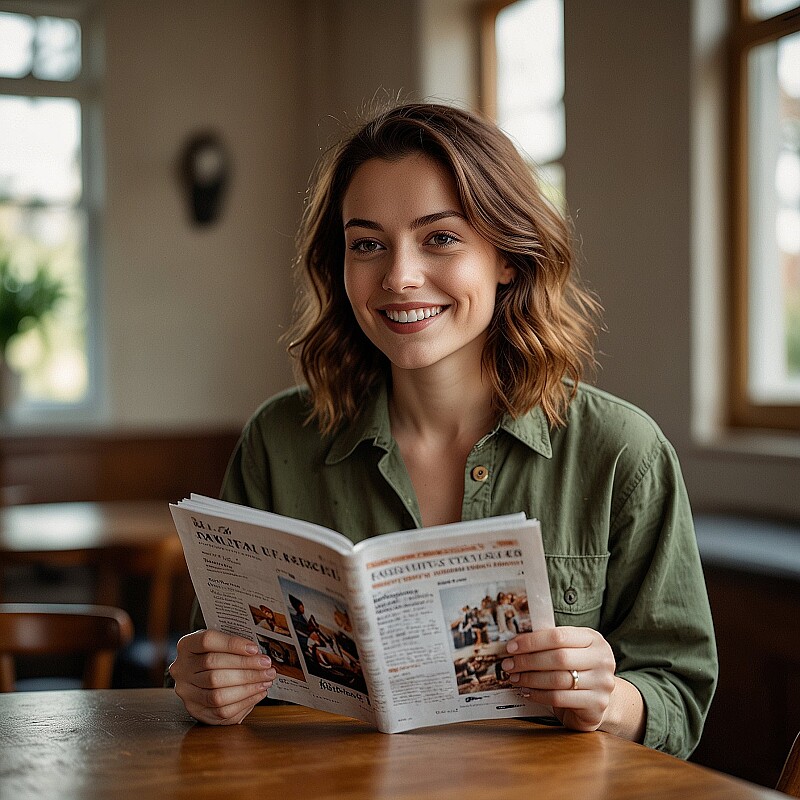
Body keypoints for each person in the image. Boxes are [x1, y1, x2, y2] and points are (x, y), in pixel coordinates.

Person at [168, 101, 717, 758]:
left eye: (441, 237)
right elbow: (215, 662)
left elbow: (678, 696)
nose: (399, 277)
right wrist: (207, 684)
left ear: (507, 257)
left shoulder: (623, 453)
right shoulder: (278, 438)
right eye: (367, 244)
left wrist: (612, 699)